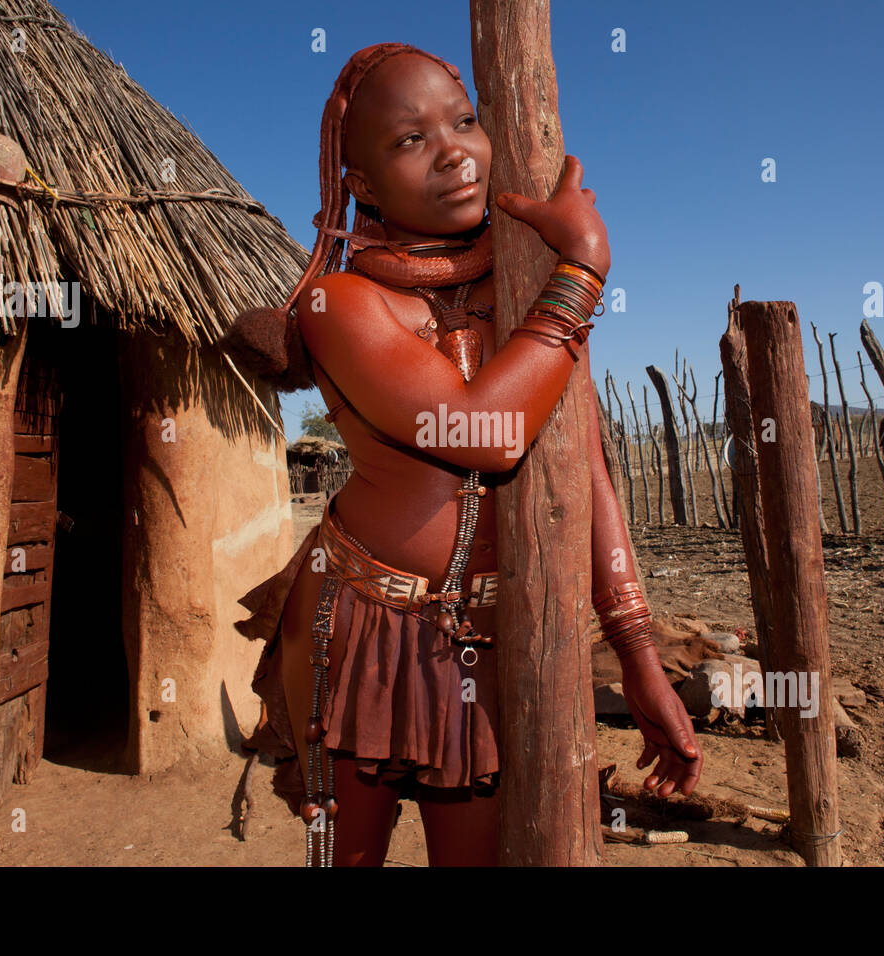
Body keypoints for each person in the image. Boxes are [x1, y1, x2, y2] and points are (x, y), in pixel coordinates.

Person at [224, 42, 701, 867]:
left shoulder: (526, 294)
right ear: (362, 184)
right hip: (360, 629)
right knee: (349, 858)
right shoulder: (345, 303)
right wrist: (581, 272)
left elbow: (585, 478)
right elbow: (483, 432)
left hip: (488, 639)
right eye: (410, 140)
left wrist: (639, 657)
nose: (452, 151)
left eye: (465, 121)